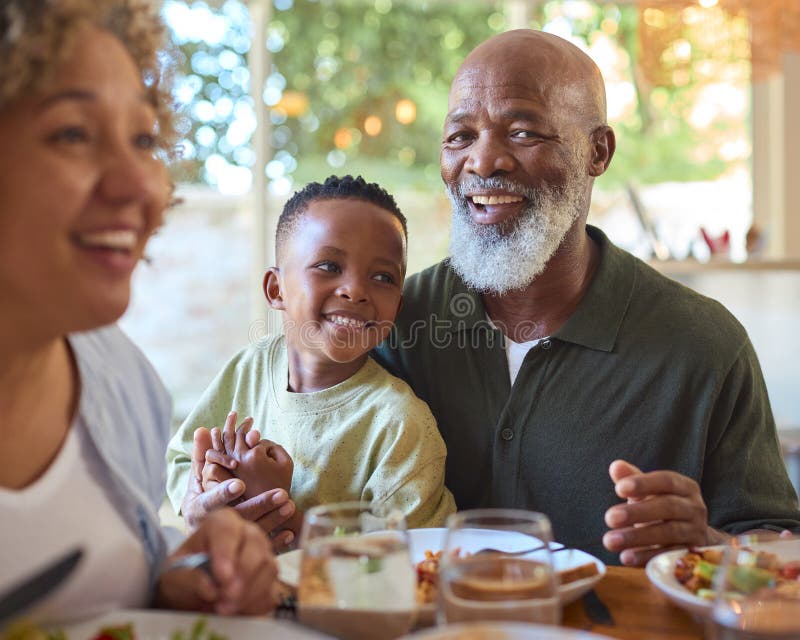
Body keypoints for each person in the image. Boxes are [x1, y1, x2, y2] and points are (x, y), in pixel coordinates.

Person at [372, 29, 800, 567]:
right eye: (460, 136)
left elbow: (779, 553)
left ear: (598, 152)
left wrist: (709, 544)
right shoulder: (393, 321)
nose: (484, 162)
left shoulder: (705, 345)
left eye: (524, 131)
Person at [0, 0, 282, 624]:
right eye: (73, 133)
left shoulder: (126, 385)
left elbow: (123, 578)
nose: (143, 187)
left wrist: (183, 575)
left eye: (144, 139)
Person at [165, 175, 456, 536]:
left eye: (382, 276)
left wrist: (274, 509)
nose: (355, 290)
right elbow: (181, 460)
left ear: (397, 307)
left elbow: (408, 557)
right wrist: (204, 494)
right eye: (329, 266)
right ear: (276, 289)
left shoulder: (398, 425)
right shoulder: (249, 368)